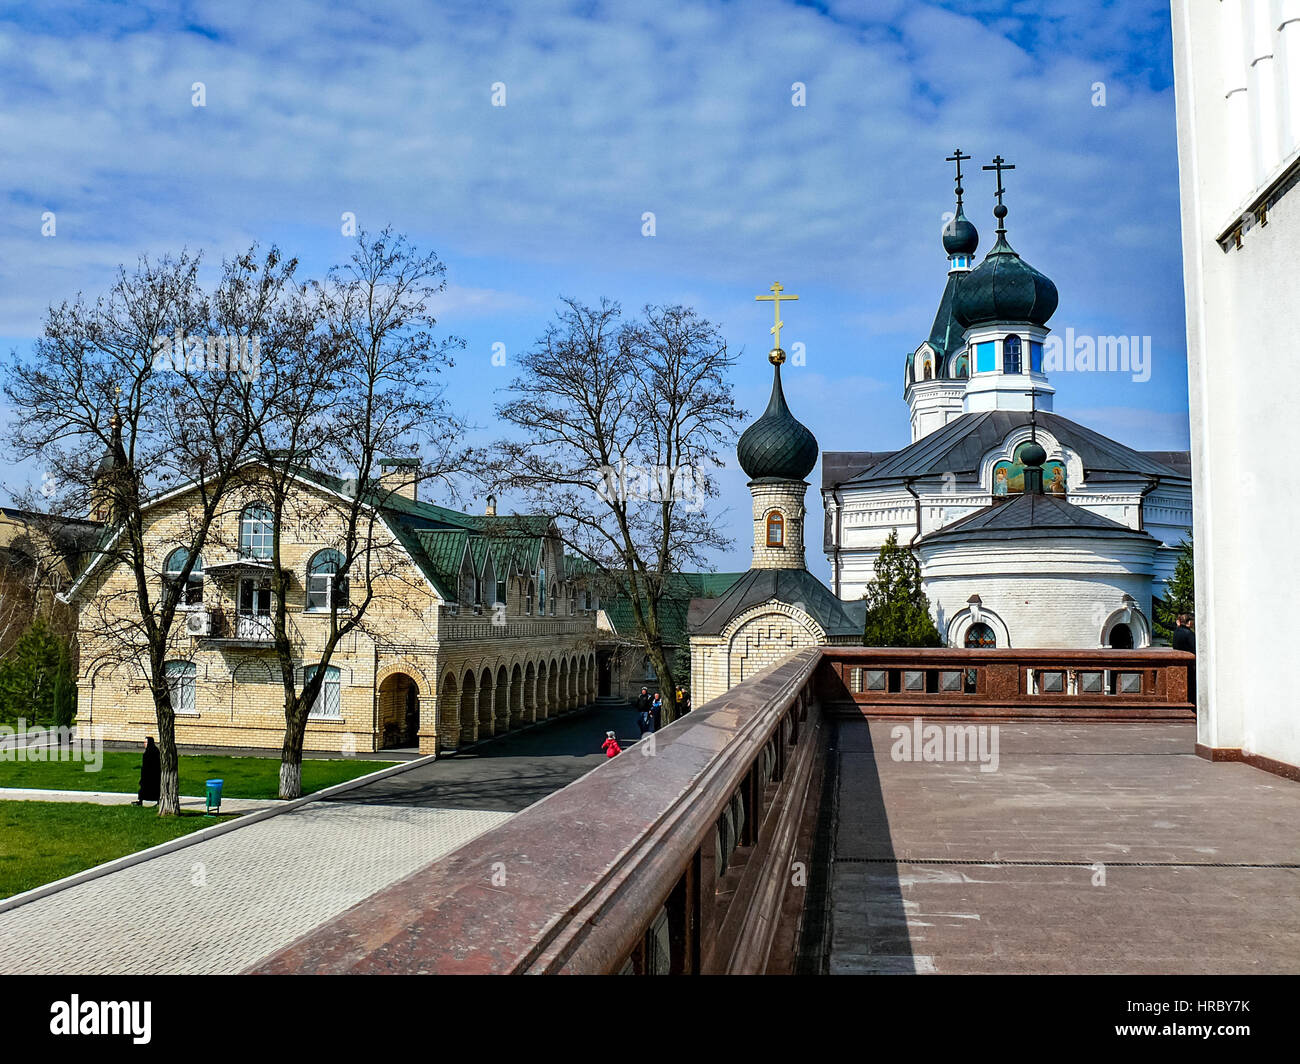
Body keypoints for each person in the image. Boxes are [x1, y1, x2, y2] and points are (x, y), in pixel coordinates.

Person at [1172, 613, 1196, 705]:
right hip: (1190, 666)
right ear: (1189, 622)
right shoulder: (1189, 633)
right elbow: (1195, 648)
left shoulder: (1177, 631)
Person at [134, 736, 160, 806]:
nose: (144, 744)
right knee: (144, 788)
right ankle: (141, 801)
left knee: (153, 788)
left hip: (152, 774)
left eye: (145, 742)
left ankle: (157, 801)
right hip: (149, 774)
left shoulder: (152, 752)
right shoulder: (152, 750)